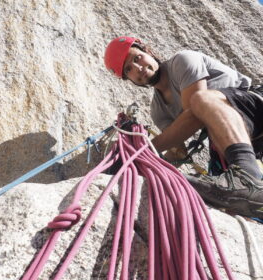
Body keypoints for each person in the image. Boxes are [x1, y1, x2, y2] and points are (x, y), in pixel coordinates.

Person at [104, 36, 263, 218]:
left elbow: (193, 114)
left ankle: (248, 176)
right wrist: (147, 167)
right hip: (238, 136)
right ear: (128, 79)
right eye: (129, 69)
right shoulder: (158, 110)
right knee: (225, 198)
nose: (138, 68)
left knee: (200, 100)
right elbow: (177, 149)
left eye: (137, 58)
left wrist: (141, 151)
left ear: (147, 51)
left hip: (254, 106)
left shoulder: (182, 60)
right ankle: (250, 185)